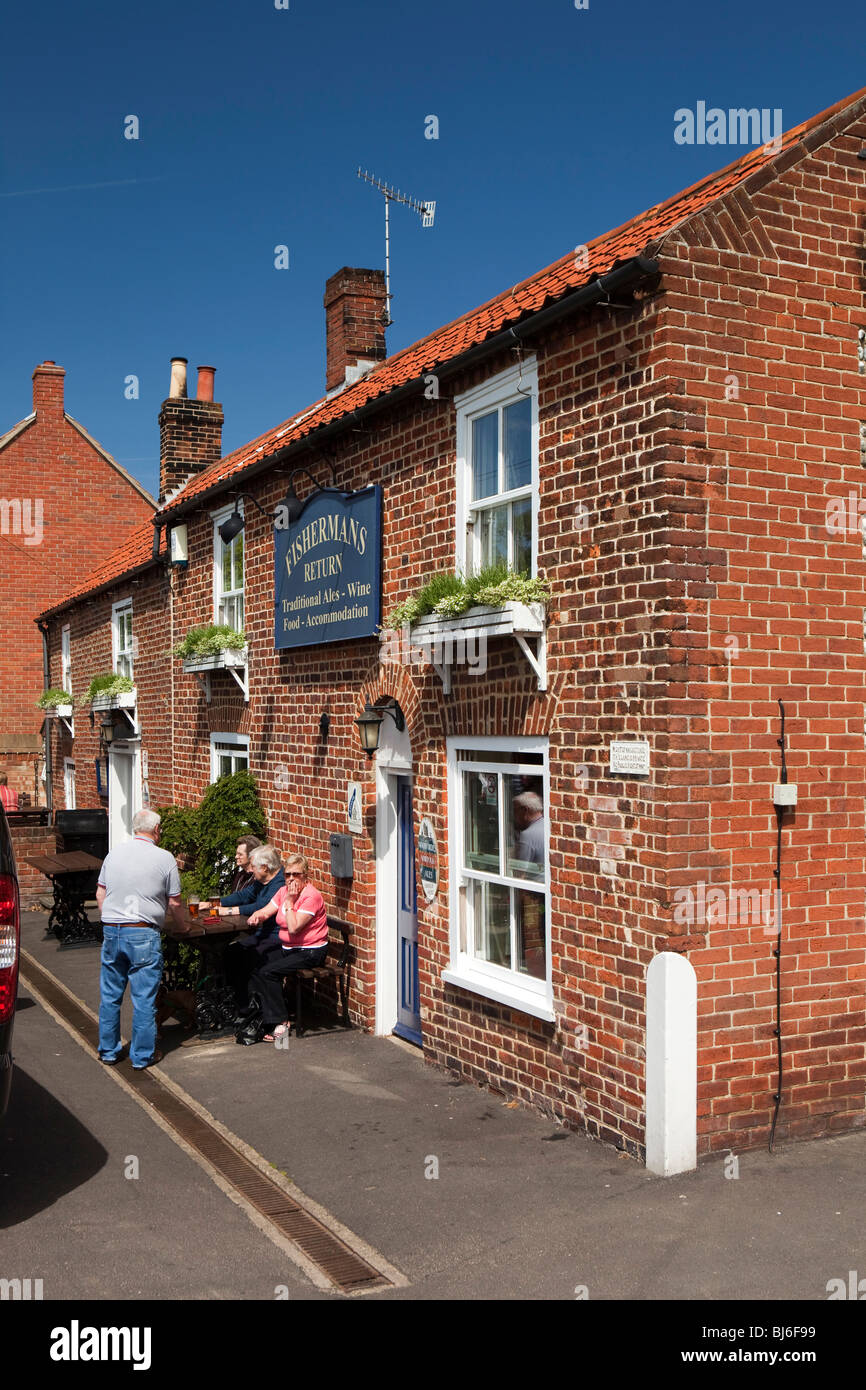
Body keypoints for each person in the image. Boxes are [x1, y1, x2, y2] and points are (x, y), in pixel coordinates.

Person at [96, 809, 181, 1069]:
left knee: (110, 996)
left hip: (113, 929)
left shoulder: (114, 854)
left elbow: (101, 893)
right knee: (143, 998)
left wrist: (113, 917)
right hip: (143, 931)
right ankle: (141, 1056)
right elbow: (175, 902)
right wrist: (182, 927)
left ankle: (108, 1051)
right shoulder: (164, 858)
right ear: (156, 830)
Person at [246, 854, 328, 1042]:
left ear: (305, 876)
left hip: (311, 951)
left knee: (269, 972)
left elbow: (294, 927)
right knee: (257, 965)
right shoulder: (283, 891)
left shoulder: (311, 896)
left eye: (296, 874)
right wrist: (257, 916)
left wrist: (290, 903)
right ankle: (263, 1015)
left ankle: (281, 1021)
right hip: (289, 947)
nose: (291, 878)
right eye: (288, 874)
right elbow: (268, 910)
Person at [218, 846, 286, 1012]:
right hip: (263, 934)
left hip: (277, 937)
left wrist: (230, 911)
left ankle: (250, 1007)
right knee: (231, 952)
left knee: (249, 957)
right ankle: (239, 1002)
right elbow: (244, 895)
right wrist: (217, 903)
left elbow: (262, 906)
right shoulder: (263, 881)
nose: (250, 870)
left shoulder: (280, 883)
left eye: (253, 867)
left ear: (264, 867)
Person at [513, 791, 544, 871]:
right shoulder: (548, 825)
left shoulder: (527, 835)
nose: (514, 815)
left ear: (525, 810)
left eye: (515, 810)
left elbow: (520, 873)